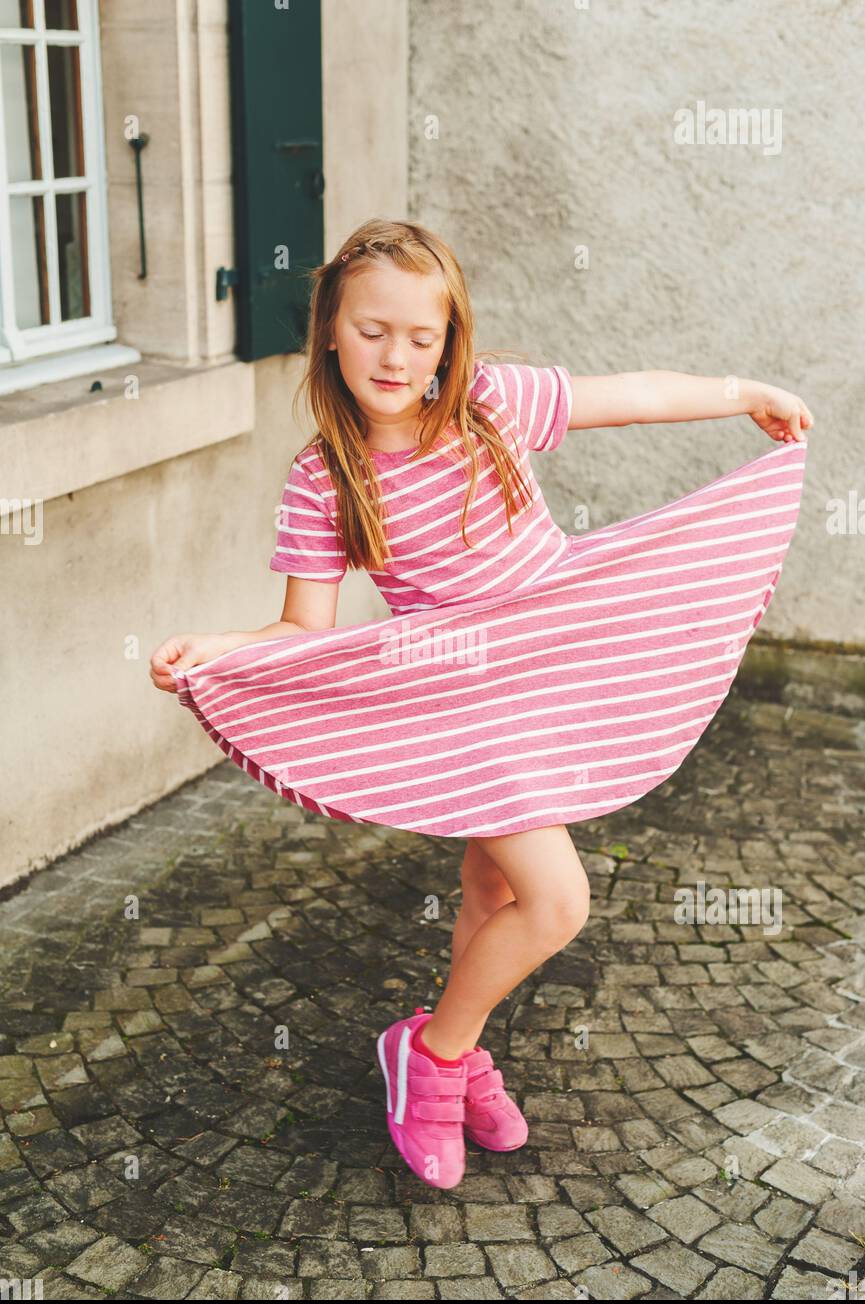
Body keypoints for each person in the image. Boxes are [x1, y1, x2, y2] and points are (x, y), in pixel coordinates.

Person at [150, 218, 813, 1190]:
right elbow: (304, 629)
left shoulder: (489, 405)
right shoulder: (324, 478)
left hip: (555, 660)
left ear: (449, 343)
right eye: (373, 330)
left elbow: (627, 395)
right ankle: (434, 1059)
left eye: (422, 337)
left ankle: (453, 1056)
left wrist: (742, 393)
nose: (396, 354)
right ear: (331, 327)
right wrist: (218, 648)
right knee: (556, 900)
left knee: (491, 895)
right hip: (468, 706)